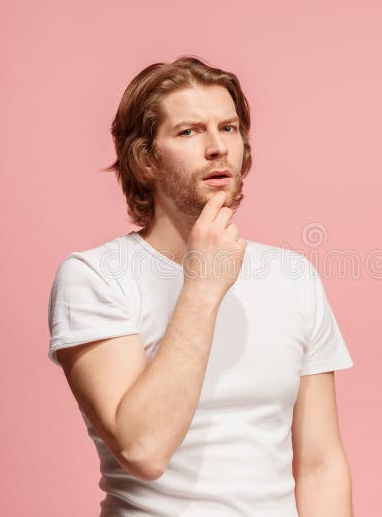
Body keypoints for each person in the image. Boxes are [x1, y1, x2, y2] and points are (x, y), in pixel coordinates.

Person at [47, 56, 355, 516]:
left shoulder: (294, 278)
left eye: (228, 128)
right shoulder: (94, 277)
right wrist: (203, 285)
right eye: (189, 132)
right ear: (145, 160)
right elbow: (143, 449)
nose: (217, 147)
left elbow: (320, 466)